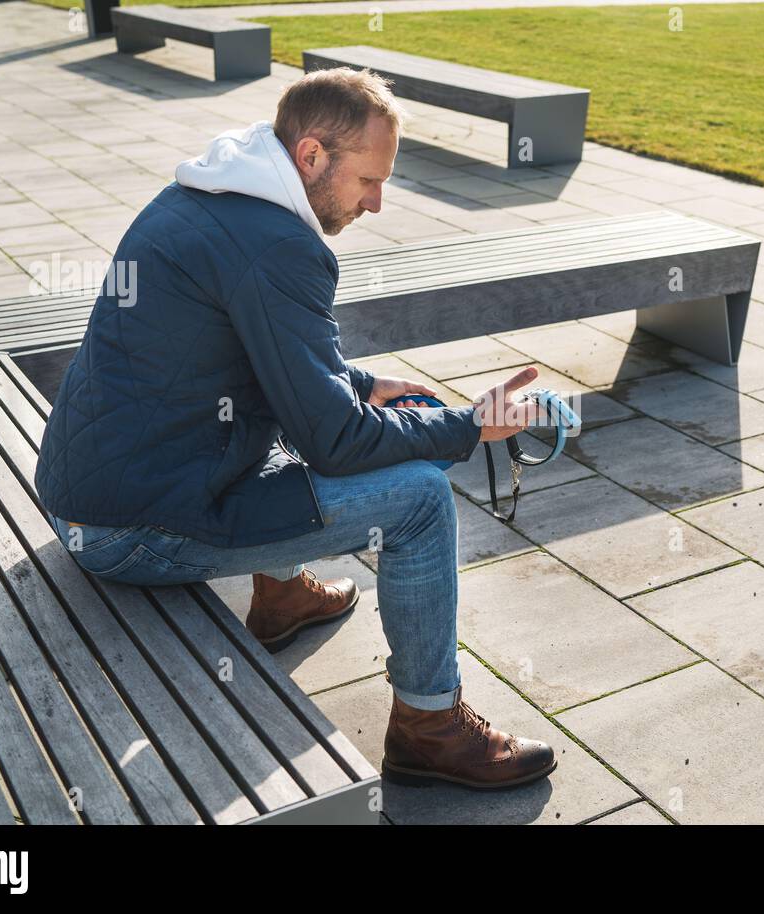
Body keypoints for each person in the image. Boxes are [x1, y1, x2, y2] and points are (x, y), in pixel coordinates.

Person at [34, 68, 557, 790]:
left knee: (275, 419)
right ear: (311, 157)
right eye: (368, 181)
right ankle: (429, 729)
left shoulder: (210, 190)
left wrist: (370, 385)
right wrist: (468, 426)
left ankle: (282, 598)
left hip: (86, 490)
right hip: (128, 529)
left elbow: (263, 361)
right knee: (422, 501)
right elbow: (335, 442)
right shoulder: (279, 246)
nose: (376, 202)